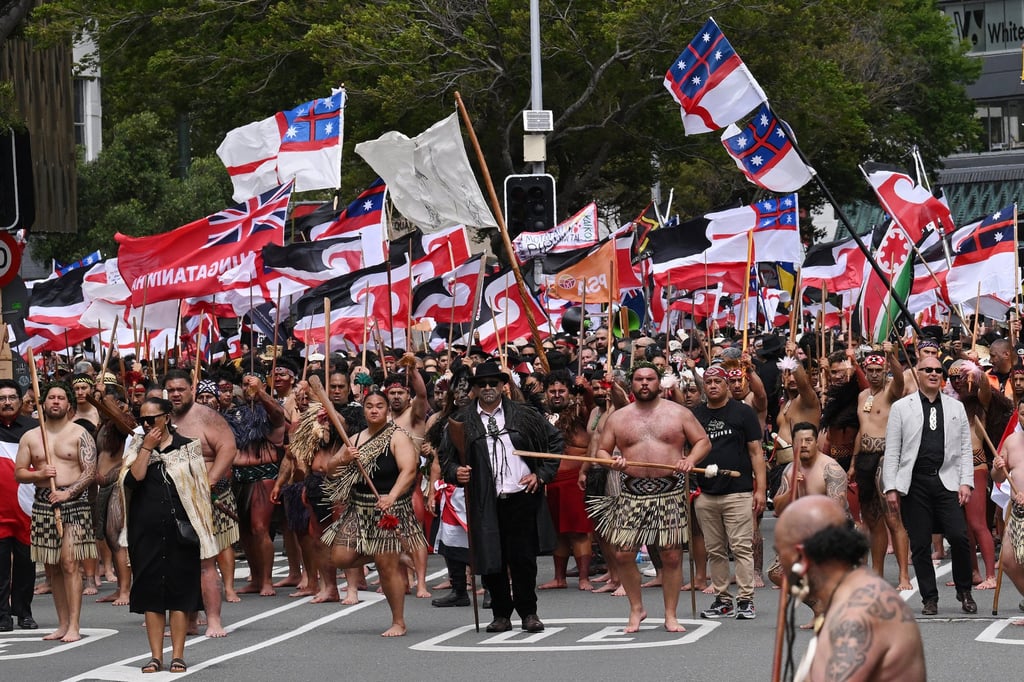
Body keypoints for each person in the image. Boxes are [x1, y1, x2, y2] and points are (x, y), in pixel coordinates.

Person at [439, 360, 562, 634]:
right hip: (485, 500)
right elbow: (445, 459)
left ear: (503, 386)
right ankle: (500, 615)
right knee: (491, 559)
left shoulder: (524, 414)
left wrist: (540, 475)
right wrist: (455, 472)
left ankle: (529, 612)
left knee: (523, 560)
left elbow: (555, 443)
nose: (487, 389)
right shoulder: (461, 420)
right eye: (482, 385)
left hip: (521, 497)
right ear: (474, 389)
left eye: (493, 384)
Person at [588, 362, 710, 633]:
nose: (645, 383)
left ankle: (670, 614)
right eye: (640, 379)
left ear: (658, 382)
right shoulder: (618, 418)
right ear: (632, 384)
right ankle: (636, 608)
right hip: (631, 490)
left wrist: (690, 459)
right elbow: (602, 451)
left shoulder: (678, 413)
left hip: (669, 490)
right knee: (622, 554)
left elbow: (703, 441)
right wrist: (611, 462)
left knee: (671, 556)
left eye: (650, 379)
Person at [776, 495, 925, 682]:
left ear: (801, 556)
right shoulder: (853, 590)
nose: (780, 564)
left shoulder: (854, 615)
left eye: (779, 553)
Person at [120, 397, 217, 674]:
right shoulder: (138, 448)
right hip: (145, 531)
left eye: (152, 419)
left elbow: (198, 490)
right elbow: (133, 479)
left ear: (166, 417)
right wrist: (146, 448)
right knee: (151, 593)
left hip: (180, 530)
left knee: (179, 593)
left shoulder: (187, 447)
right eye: (142, 420)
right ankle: (154, 656)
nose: (147, 424)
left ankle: (178, 654)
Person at [322, 390, 426, 637]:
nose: (374, 410)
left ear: (387, 410)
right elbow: (329, 471)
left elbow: (409, 470)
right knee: (339, 558)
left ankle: (398, 621)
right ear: (364, 409)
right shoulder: (355, 440)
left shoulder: (397, 437)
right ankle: (388, 556)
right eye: (369, 406)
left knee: (386, 569)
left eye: (380, 406)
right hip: (359, 507)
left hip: (389, 506)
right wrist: (342, 459)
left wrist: (392, 495)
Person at [881, 356, 976, 615]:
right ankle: (929, 598)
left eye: (938, 370)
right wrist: (891, 487)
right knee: (920, 543)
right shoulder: (902, 407)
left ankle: (964, 590)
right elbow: (893, 451)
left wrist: (966, 482)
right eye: (928, 370)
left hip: (947, 481)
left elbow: (965, 449)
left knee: (959, 536)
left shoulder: (955, 407)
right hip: (915, 482)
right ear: (918, 373)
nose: (934, 373)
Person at [14, 382, 97, 642]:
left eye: (61, 397)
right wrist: (38, 473)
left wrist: (69, 492)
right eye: (51, 397)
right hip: (43, 503)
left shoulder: (80, 434)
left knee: (70, 563)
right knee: (53, 567)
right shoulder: (31, 437)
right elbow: (19, 473)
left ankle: (74, 625)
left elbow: (90, 471)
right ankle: (62, 624)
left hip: (74, 503)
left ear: (68, 404)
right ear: (43, 403)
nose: (56, 402)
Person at [163, 369, 240, 635]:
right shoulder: (160, 418)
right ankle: (189, 618)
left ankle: (214, 620)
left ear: (191, 389)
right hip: (171, 500)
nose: (175, 394)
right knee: (176, 563)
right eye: (171, 389)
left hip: (203, 498)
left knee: (206, 562)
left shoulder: (207, 417)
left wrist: (209, 481)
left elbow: (229, 448)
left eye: (180, 389)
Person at [692, 365, 766, 621]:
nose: (712, 385)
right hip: (706, 492)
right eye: (709, 381)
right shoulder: (695, 415)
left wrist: (760, 490)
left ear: (726, 385)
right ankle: (723, 600)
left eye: (718, 381)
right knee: (715, 549)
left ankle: (746, 600)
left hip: (739, 491)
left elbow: (757, 452)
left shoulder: (743, 412)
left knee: (741, 548)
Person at [852, 346, 911, 590]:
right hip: (864, 458)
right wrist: (854, 463)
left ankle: (904, 576)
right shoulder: (862, 395)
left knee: (892, 518)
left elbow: (899, 379)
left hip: (885, 458)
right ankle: (876, 573)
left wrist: (892, 357)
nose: (875, 374)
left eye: (879, 370)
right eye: (871, 370)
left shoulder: (890, 391)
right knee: (872, 519)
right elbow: (861, 430)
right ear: (865, 370)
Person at [227, 371, 287, 597]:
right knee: (244, 532)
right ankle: (256, 578)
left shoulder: (272, 410)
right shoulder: (234, 414)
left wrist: (260, 392)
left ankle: (267, 581)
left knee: (259, 528)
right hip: (240, 477)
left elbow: (279, 416)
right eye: (244, 384)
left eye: (252, 383)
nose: (247, 388)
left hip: (264, 475)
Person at [539, 370, 596, 591]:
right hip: (552, 480)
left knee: (579, 531)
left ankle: (583, 577)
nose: (556, 395)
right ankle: (559, 578)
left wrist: (587, 388)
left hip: (575, 479)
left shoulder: (579, 410)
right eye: (552, 391)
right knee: (558, 532)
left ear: (569, 392)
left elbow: (592, 406)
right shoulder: (542, 416)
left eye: (561, 390)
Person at [0, 380, 37, 631]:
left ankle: (23, 611)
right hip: (0, 510)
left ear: (20, 399)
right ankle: (2, 615)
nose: (7, 402)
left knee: (26, 564)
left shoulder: (35, 428)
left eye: (12, 397)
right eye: (2, 398)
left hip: (27, 508)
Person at [993, 398, 1024, 624]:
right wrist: (997, 469)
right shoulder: (1011, 442)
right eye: (1023, 414)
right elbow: (998, 478)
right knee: (1009, 561)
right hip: (1018, 512)